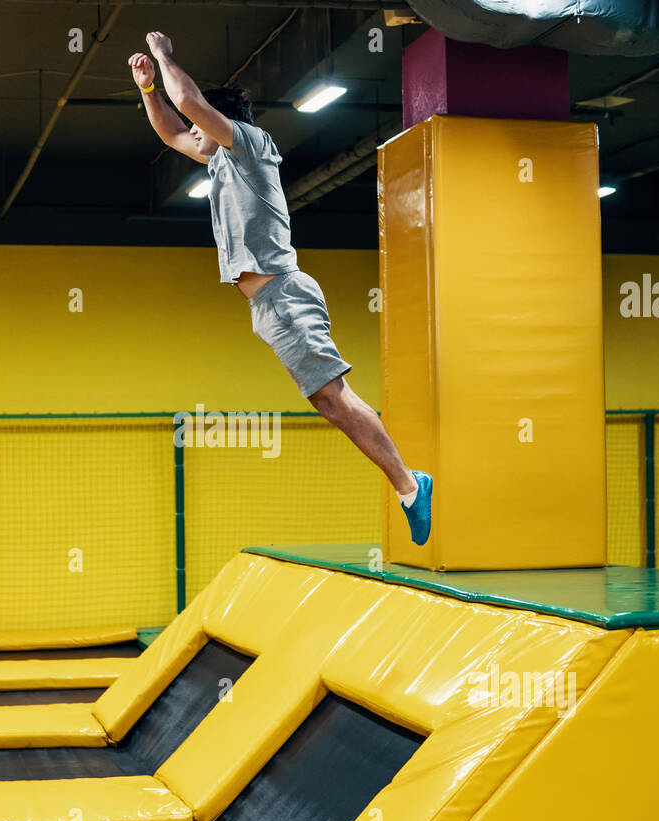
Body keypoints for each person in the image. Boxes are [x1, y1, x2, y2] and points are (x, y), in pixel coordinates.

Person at [129, 31, 433, 545]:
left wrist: (163, 57)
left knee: (334, 398)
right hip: (270, 306)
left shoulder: (248, 145)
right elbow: (171, 130)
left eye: (200, 129)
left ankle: (409, 485)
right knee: (328, 401)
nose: (190, 138)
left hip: (285, 296)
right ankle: (408, 483)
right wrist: (146, 90)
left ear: (220, 123)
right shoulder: (219, 158)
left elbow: (188, 105)